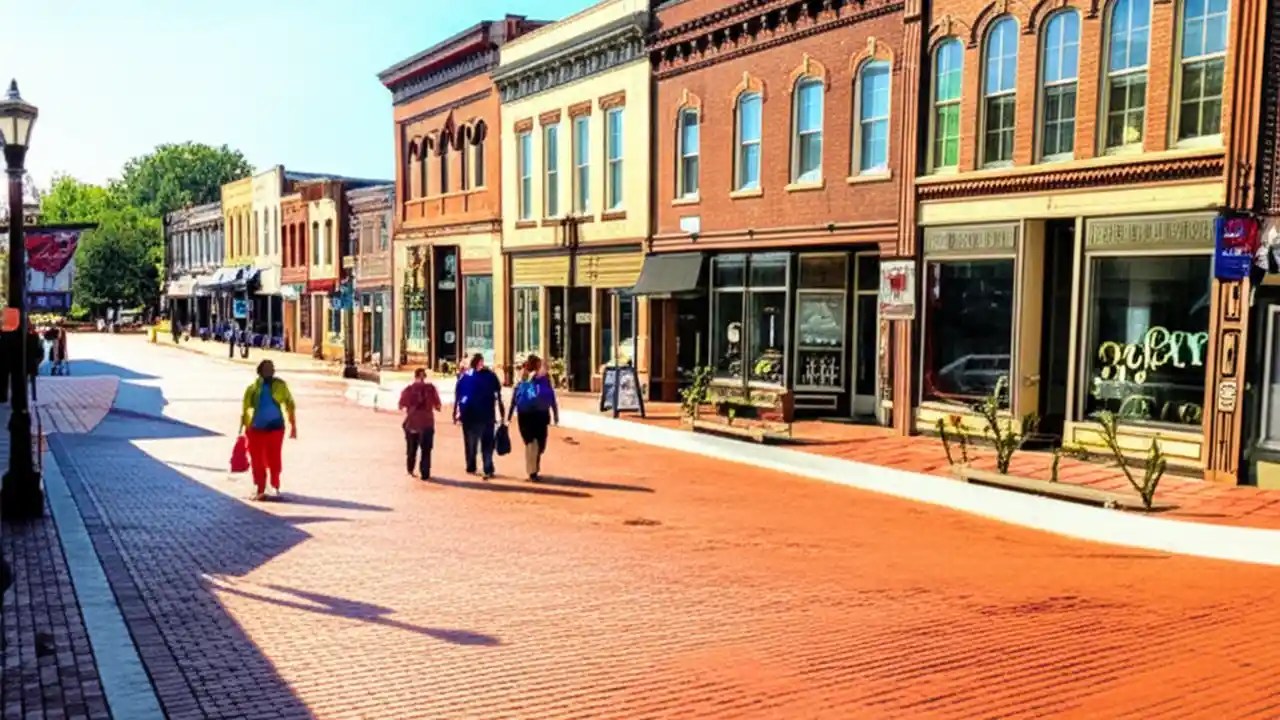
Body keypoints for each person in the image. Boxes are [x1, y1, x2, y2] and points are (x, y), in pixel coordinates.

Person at [239, 360, 297, 501]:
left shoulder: (280, 386)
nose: (270, 371)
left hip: (276, 428)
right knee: (257, 460)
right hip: (256, 428)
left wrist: (293, 424)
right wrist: (244, 428)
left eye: (272, 368)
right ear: (260, 371)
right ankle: (260, 488)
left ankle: (275, 485)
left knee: (274, 458)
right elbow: (245, 409)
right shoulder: (253, 388)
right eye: (267, 369)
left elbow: (289, 403)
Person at [507, 355, 559, 481]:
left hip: (534, 414)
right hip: (531, 414)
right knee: (533, 443)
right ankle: (532, 471)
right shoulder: (527, 378)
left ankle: (533, 467)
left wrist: (555, 413)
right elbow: (517, 395)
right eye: (539, 364)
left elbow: (551, 396)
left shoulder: (542, 379)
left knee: (537, 444)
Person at [453, 353, 504, 479]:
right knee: (487, 443)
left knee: (470, 443)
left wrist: (456, 412)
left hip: (469, 415)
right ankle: (487, 467)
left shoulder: (465, 376)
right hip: (487, 414)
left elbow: (458, 395)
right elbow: (498, 393)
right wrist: (502, 413)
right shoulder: (490, 376)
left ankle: (471, 465)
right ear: (481, 362)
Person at [399, 368, 441, 480]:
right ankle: (425, 473)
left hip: (412, 423)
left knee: (411, 449)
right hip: (427, 423)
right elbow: (438, 406)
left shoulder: (408, 390)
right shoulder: (430, 389)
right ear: (425, 377)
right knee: (426, 450)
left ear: (415, 376)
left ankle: (410, 469)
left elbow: (401, 405)